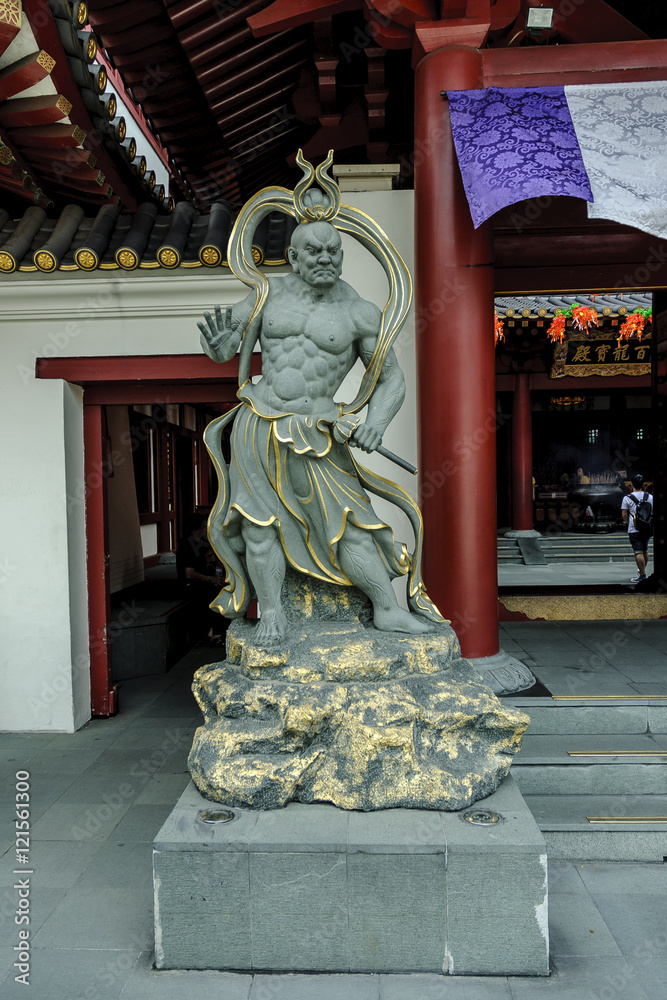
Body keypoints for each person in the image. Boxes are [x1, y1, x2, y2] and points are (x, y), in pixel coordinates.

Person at [198, 219, 441, 646]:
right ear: (292, 256)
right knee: (260, 526)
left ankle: (387, 608)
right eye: (314, 250)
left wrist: (375, 425)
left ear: (343, 257)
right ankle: (271, 612)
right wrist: (218, 345)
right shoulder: (265, 294)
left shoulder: (359, 312)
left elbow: (391, 379)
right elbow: (224, 345)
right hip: (260, 423)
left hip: (319, 429)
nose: (325, 257)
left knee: (350, 523)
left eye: (334, 250)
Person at [175, 513, 225, 644]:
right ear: (202, 526)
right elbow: (189, 573)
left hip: (204, 581)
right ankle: (214, 632)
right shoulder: (186, 544)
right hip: (190, 585)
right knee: (213, 594)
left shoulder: (201, 543)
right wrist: (210, 579)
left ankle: (215, 630)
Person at [621, 474, 654, 583]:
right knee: (645, 550)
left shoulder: (627, 498)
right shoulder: (650, 497)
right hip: (647, 527)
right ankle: (642, 570)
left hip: (634, 529)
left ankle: (642, 574)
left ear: (631, 485)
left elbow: (624, 514)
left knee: (638, 551)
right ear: (643, 485)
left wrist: (629, 522)